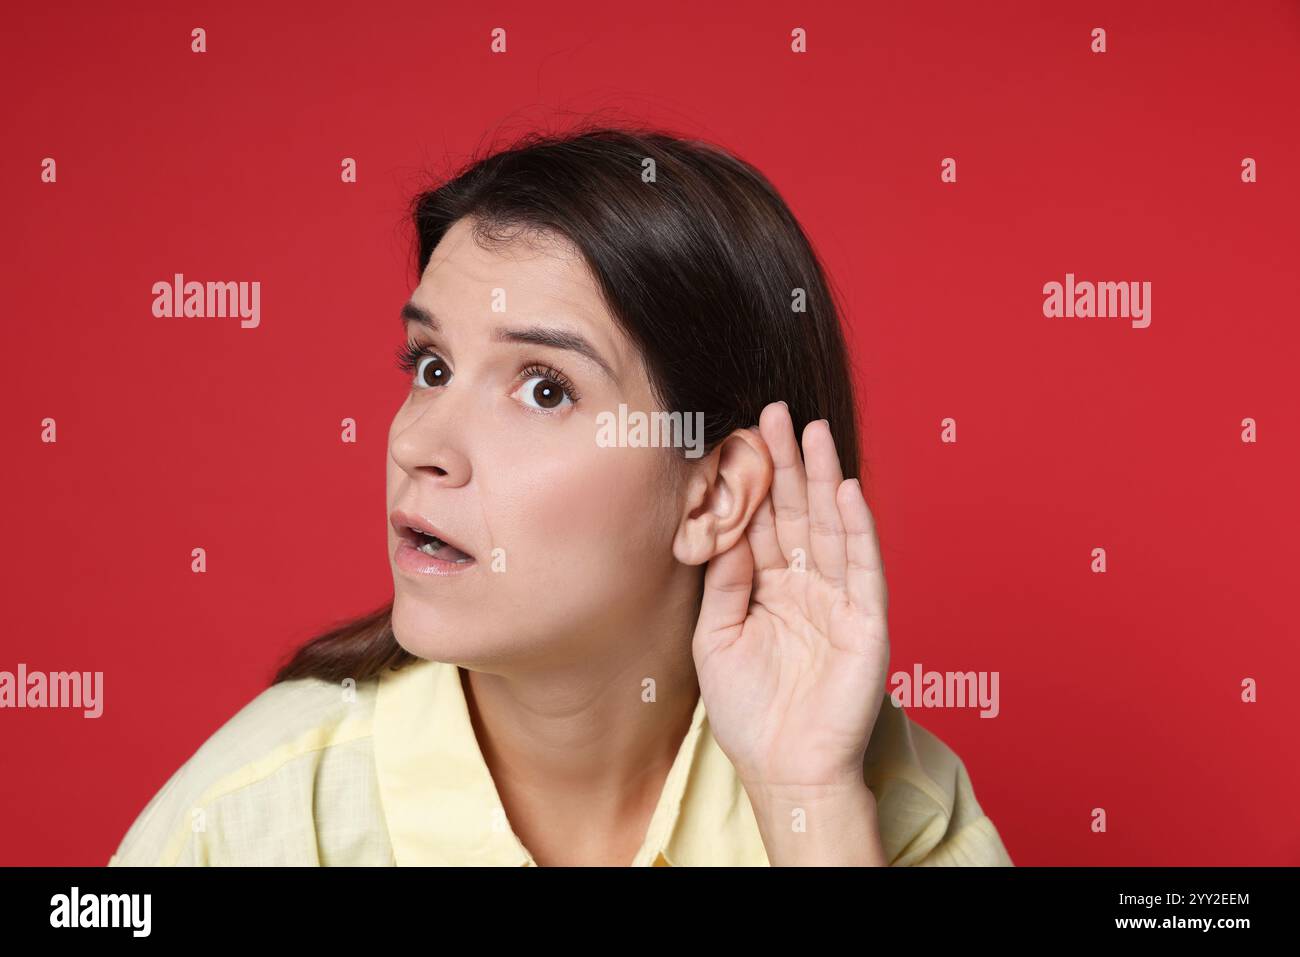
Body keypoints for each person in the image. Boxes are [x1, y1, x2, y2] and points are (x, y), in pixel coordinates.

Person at [108, 124, 1013, 867]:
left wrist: (807, 802)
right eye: (431, 366)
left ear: (711, 497)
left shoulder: (896, 812)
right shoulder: (245, 826)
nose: (417, 442)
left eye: (544, 387)